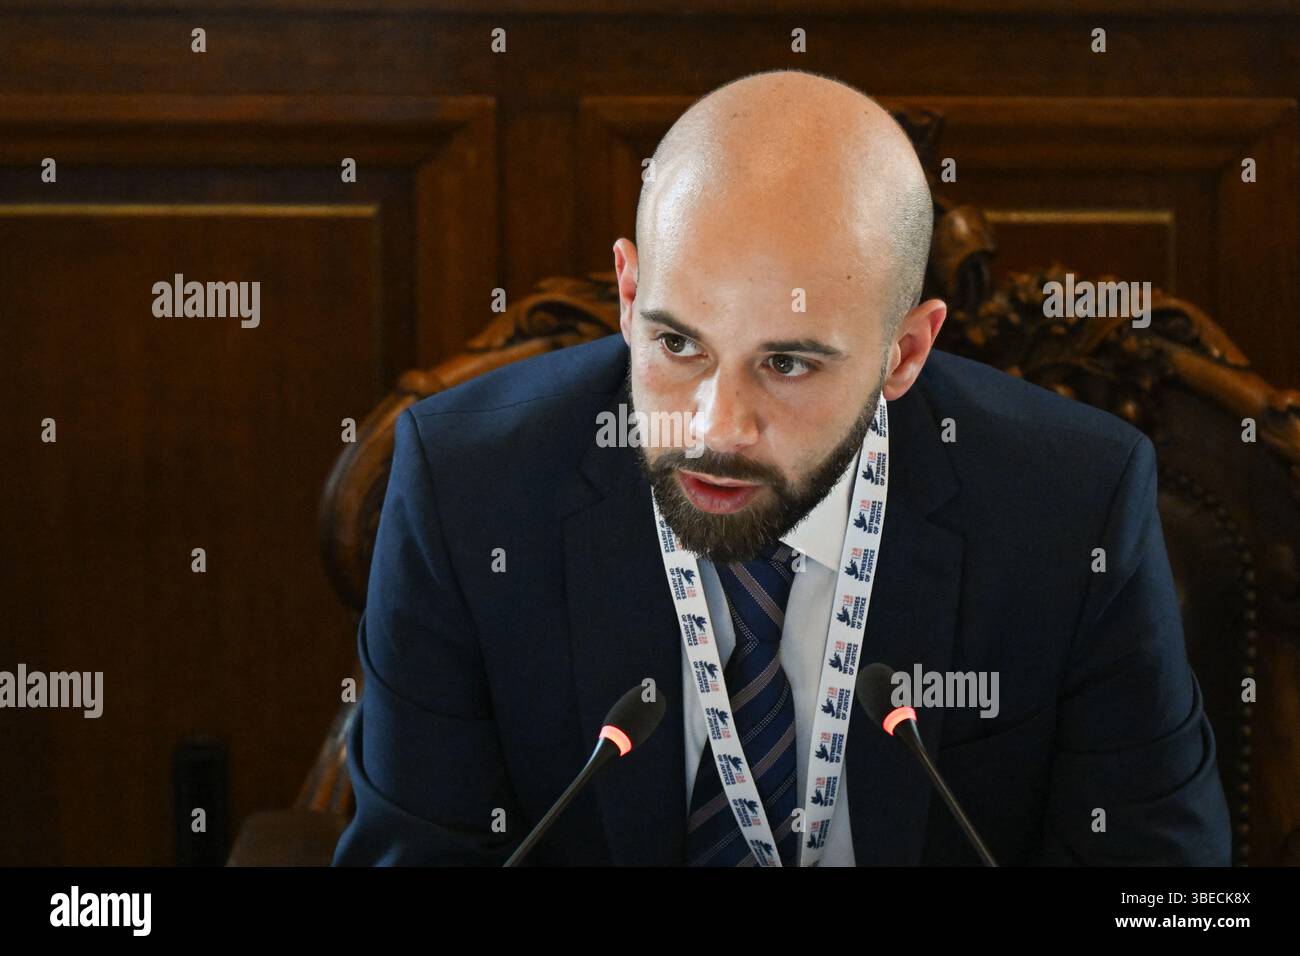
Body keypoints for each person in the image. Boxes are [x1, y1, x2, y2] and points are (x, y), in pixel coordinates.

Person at [332, 69, 1230, 866]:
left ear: (905, 353)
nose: (715, 428)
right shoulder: (466, 488)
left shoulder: (1074, 506)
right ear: (629, 291)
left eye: (788, 363)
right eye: (677, 342)